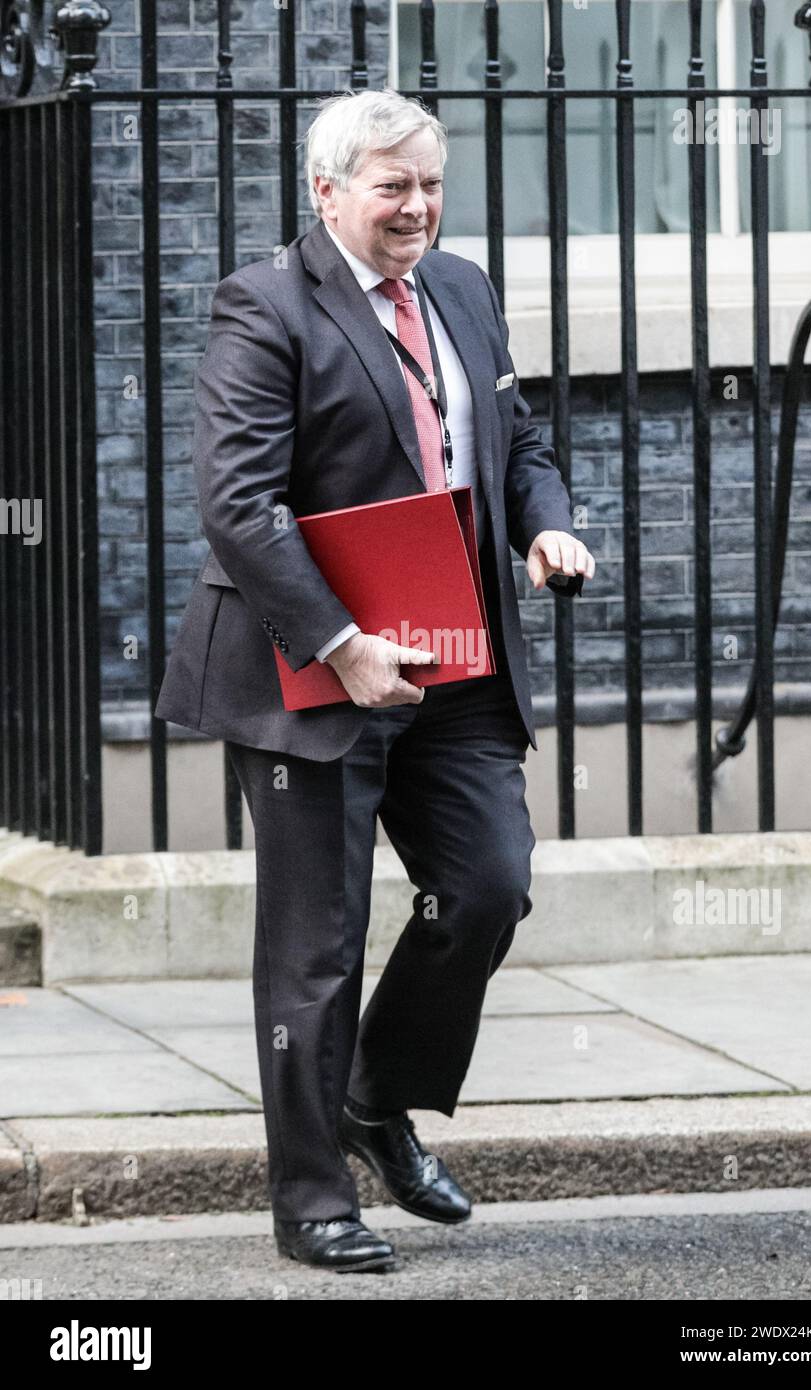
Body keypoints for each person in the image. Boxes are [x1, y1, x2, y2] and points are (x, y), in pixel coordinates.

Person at [156, 86, 595, 1274]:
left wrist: (542, 526)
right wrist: (341, 638)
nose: (416, 207)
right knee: (317, 942)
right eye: (391, 186)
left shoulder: (458, 287)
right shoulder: (264, 306)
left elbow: (517, 440)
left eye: (429, 185)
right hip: (316, 666)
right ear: (328, 189)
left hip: (451, 657)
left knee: (489, 887)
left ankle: (373, 1094)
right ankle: (310, 1202)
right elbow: (239, 504)